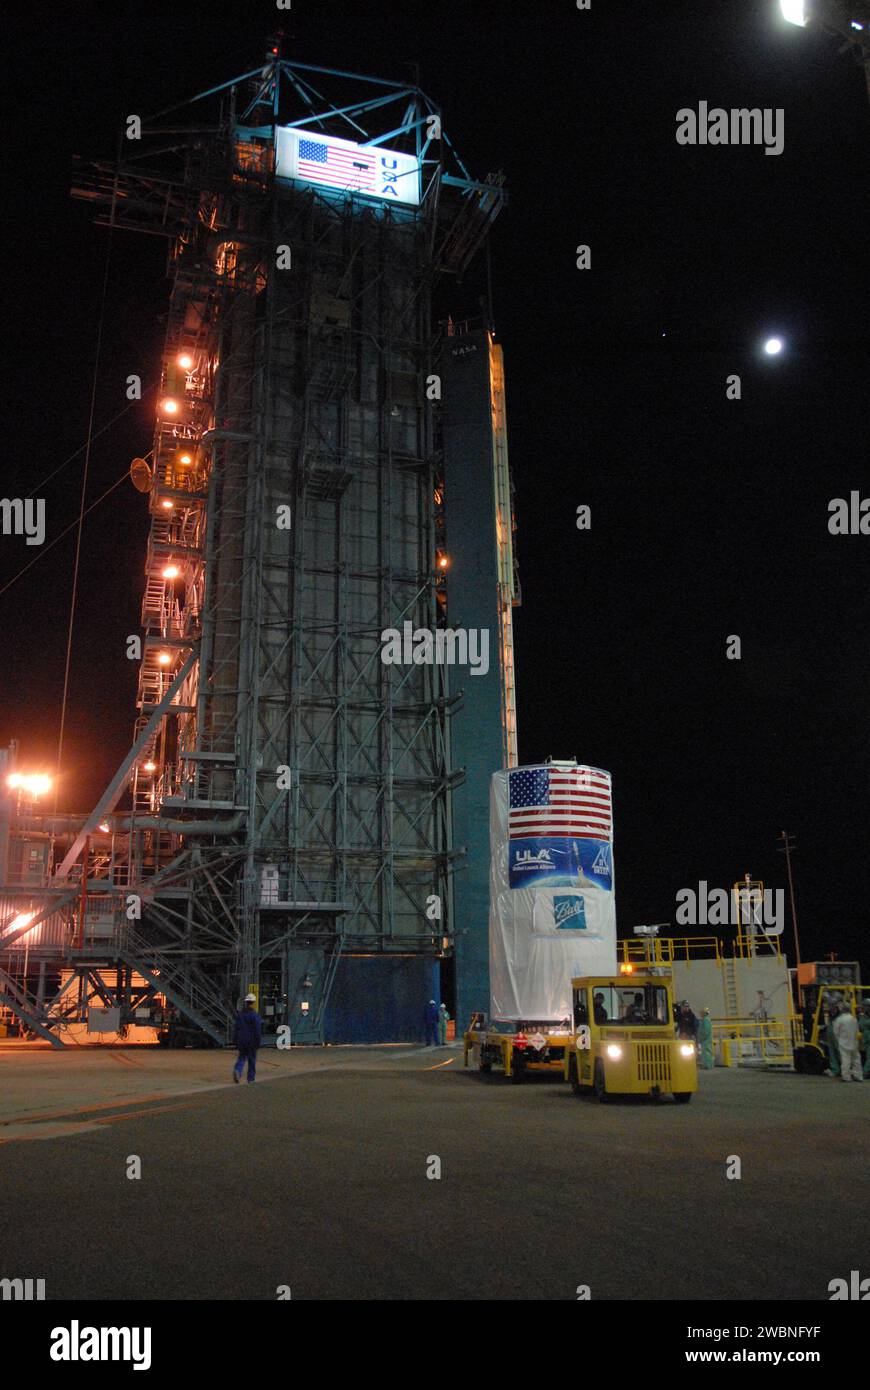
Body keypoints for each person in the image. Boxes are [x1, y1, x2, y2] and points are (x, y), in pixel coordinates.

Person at [233, 992, 262, 1084]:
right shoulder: (255, 1015)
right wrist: (258, 1041)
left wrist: (235, 1040)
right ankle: (250, 1079)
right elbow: (257, 1029)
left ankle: (238, 1069)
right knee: (252, 1060)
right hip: (252, 1041)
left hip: (242, 1040)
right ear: (254, 1002)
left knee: (242, 1057)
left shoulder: (240, 1015)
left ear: (246, 1002)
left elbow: (236, 1028)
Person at [831, 1004, 863, 1083]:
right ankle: (858, 1076)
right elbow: (857, 1030)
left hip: (843, 1042)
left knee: (846, 1060)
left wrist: (839, 1039)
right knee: (856, 1059)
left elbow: (835, 1032)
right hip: (854, 1042)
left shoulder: (839, 1019)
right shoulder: (853, 1019)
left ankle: (846, 1077)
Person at [859, 1001, 870, 1080]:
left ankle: (865, 1072)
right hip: (866, 1039)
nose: (865, 1008)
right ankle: (865, 1072)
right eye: (865, 1006)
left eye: (867, 1006)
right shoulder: (862, 1016)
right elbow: (860, 1026)